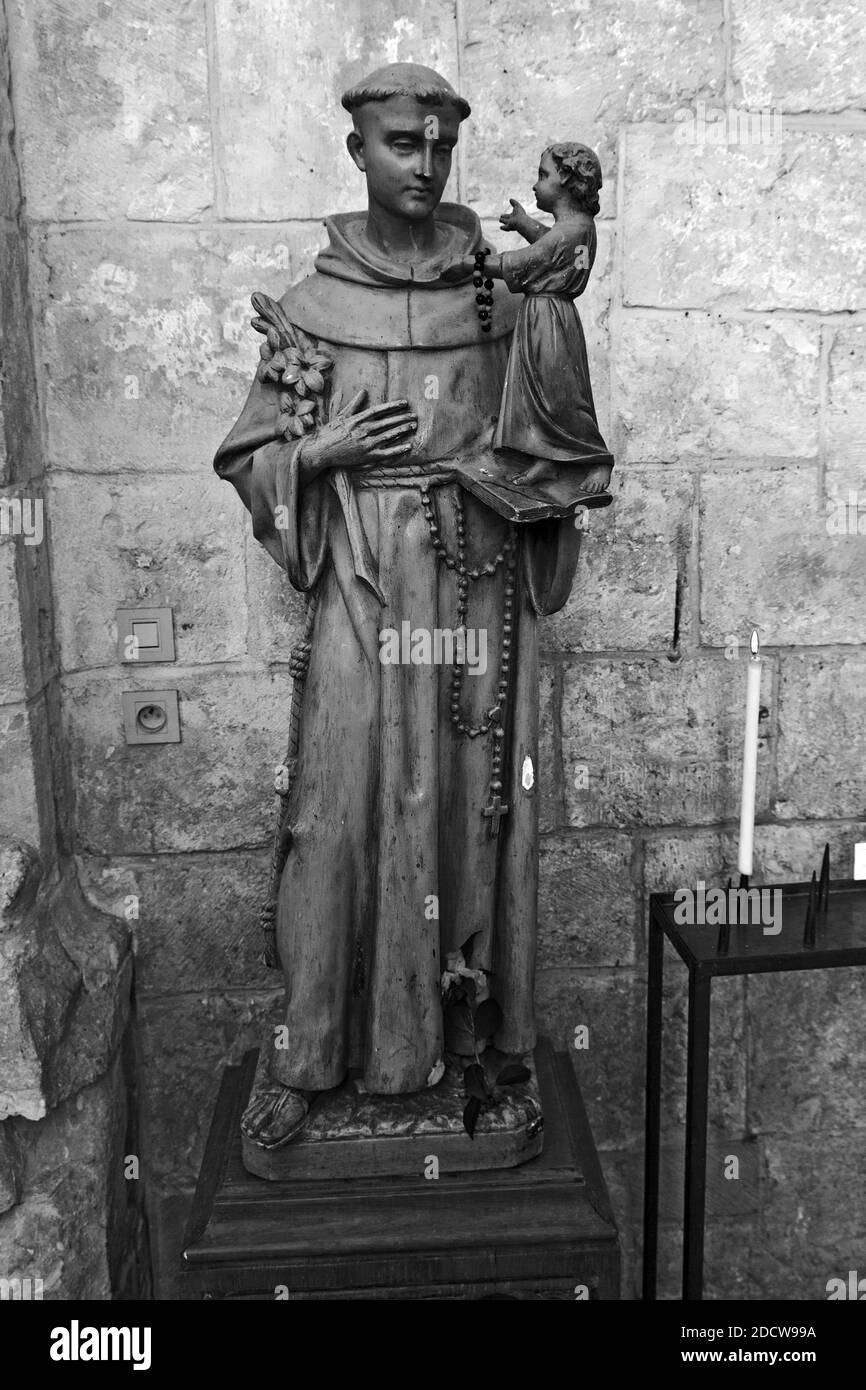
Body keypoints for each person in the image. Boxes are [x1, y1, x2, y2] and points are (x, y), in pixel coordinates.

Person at [214, 64, 584, 1150]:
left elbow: (556, 442)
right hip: (363, 581)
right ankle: (315, 1051)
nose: (421, 166)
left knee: (477, 813)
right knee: (332, 811)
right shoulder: (316, 305)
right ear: (357, 151)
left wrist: (557, 334)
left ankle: (476, 1051)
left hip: (474, 583)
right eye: (398, 144)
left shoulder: (499, 290)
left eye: (436, 146)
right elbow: (248, 455)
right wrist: (317, 452)